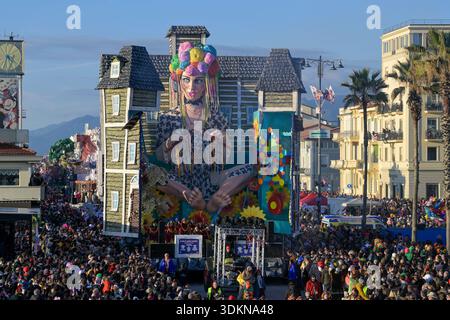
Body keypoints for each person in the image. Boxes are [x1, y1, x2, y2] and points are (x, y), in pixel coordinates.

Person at [154, 41, 256, 213]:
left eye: (198, 81)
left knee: (250, 168)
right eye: (187, 80)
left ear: (206, 84)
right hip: (179, 179)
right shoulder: (168, 118)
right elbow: (158, 157)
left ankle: (215, 200)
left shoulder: (217, 117)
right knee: (151, 172)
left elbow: (229, 156)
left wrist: (223, 140)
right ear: (179, 82)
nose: (192, 87)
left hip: (211, 178)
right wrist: (169, 143)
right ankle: (189, 196)